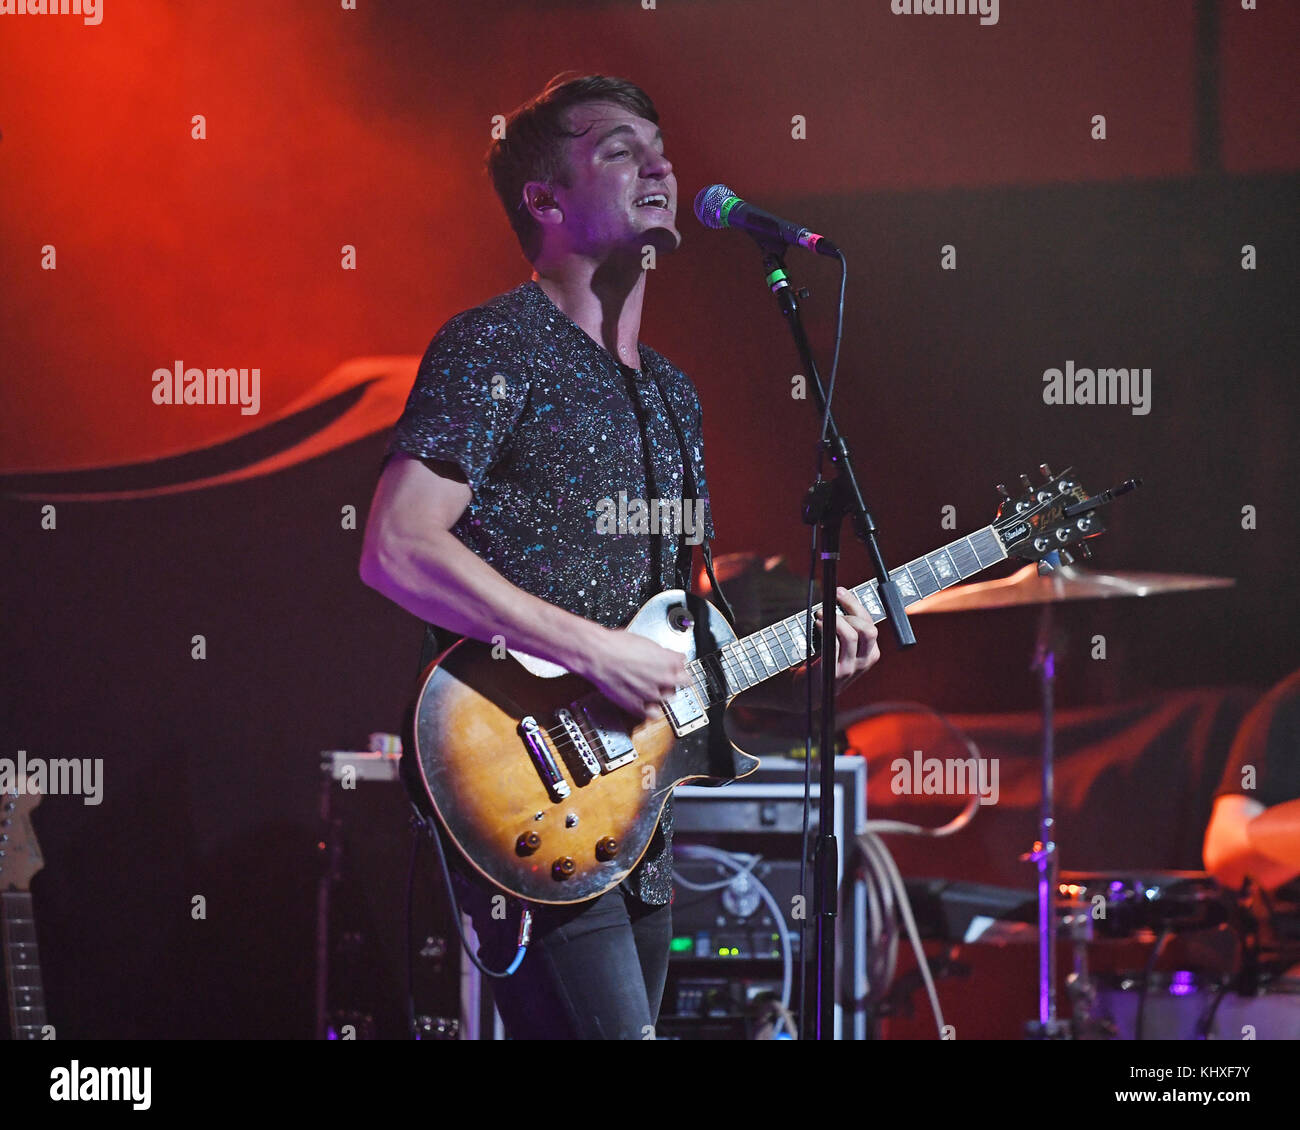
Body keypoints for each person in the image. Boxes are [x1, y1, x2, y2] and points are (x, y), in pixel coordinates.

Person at [359, 72, 880, 1039]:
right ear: (544, 200)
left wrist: (804, 646)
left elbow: (681, 626)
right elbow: (396, 546)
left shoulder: (673, 396)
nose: (660, 165)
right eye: (618, 150)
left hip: (634, 814)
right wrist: (593, 650)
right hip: (523, 786)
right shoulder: (494, 346)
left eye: (661, 148)